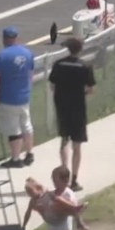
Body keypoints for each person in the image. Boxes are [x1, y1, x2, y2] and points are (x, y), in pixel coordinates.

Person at [48, 37, 95, 191]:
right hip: (78, 108)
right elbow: (90, 89)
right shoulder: (85, 66)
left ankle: (63, 173)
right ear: (80, 49)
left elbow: (52, 86)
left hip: (62, 107)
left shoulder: (59, 64)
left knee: (64, 141)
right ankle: (73, 180)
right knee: (77, 145)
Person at [0, 26, 36, 168]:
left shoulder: (1, 57)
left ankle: (15, 158)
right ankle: (29, 153)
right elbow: (30, 75)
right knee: (26, 125)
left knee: (13, 129)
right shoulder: (28, 53)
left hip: (8, 98)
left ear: (4, 39)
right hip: (24, 96)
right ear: (17, 37)